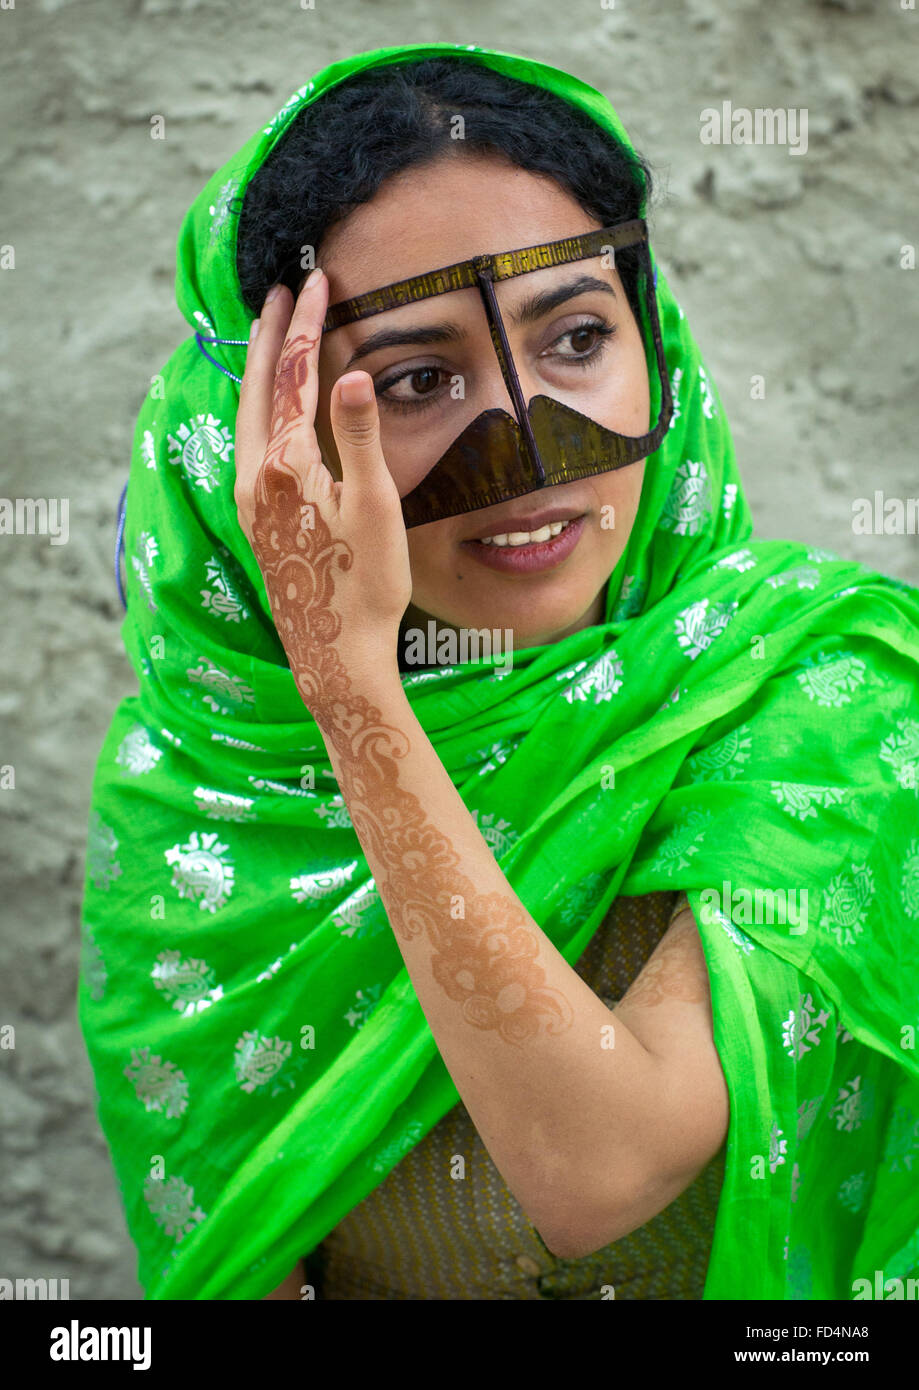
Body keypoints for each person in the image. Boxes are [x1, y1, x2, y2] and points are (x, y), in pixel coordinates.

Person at [78, 42, 919, 1302]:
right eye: (417, 379)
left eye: (579, 336)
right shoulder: (205, 805)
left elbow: (599, 1168)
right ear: (262, 436)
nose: (530, 451)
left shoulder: (817, 696)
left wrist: (354, 692)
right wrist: (332, 681)